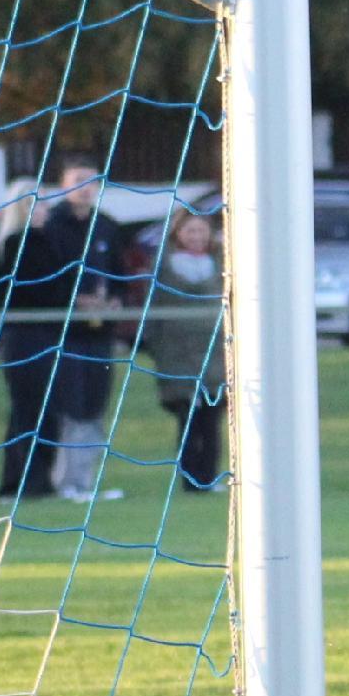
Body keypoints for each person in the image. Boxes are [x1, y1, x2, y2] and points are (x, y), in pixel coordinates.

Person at [0, 159, 128, 505]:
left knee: (91, 407)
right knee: (52, 408)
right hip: (55, 336)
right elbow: (30, 289)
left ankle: (77, 482)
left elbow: (120, 275)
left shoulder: (107, 227)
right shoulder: (42, 233)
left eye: (90, 179)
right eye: (76, 179)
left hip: (97, 334)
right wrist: (75, 301)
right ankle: (36, 482)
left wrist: (114, 299)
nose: (84, 186)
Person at [142, 210, 226, 491]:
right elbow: (152, 310)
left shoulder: (223, 263)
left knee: (212, 419)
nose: (197, 236)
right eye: (190, 231)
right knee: (187, 418)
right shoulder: (163, 268)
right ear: (178, 234)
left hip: (215, 354)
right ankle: (190, 480)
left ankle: (210, 477)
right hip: (177, 354)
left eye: (201, 230)